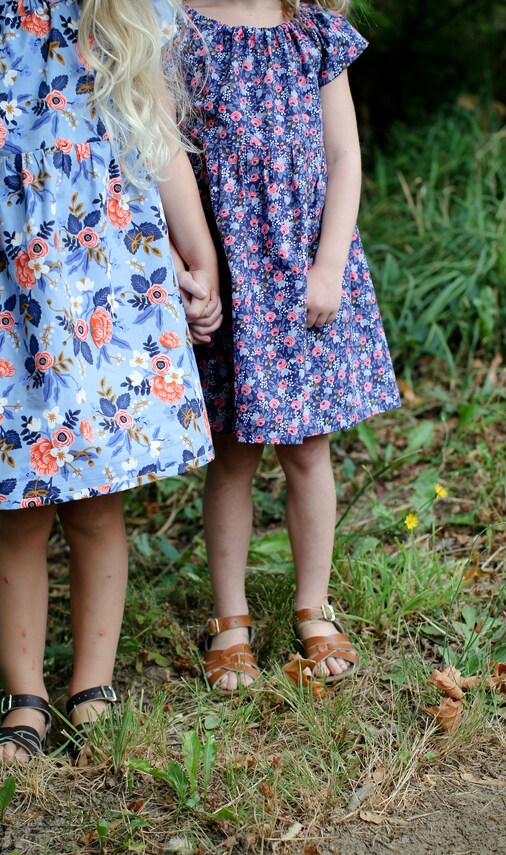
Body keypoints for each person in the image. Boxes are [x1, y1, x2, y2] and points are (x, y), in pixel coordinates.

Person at [0, 0, 221, 761]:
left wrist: (199, 257)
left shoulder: (122, 11)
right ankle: (22, 694)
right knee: (16, 506)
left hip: (104, 277)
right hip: (0, 289)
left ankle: (92, 687)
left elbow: (159, 141)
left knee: (98, 502)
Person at [177, 0, 401, 692]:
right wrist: (192, 265)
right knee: (234, 451)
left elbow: (344, 153)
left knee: (308, 448)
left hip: (302, 270)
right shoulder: (178, 32)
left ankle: (314, 603)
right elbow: (166, 157)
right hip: (233, 270)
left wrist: (330, 262)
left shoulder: (312, 29)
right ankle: (230, 620)